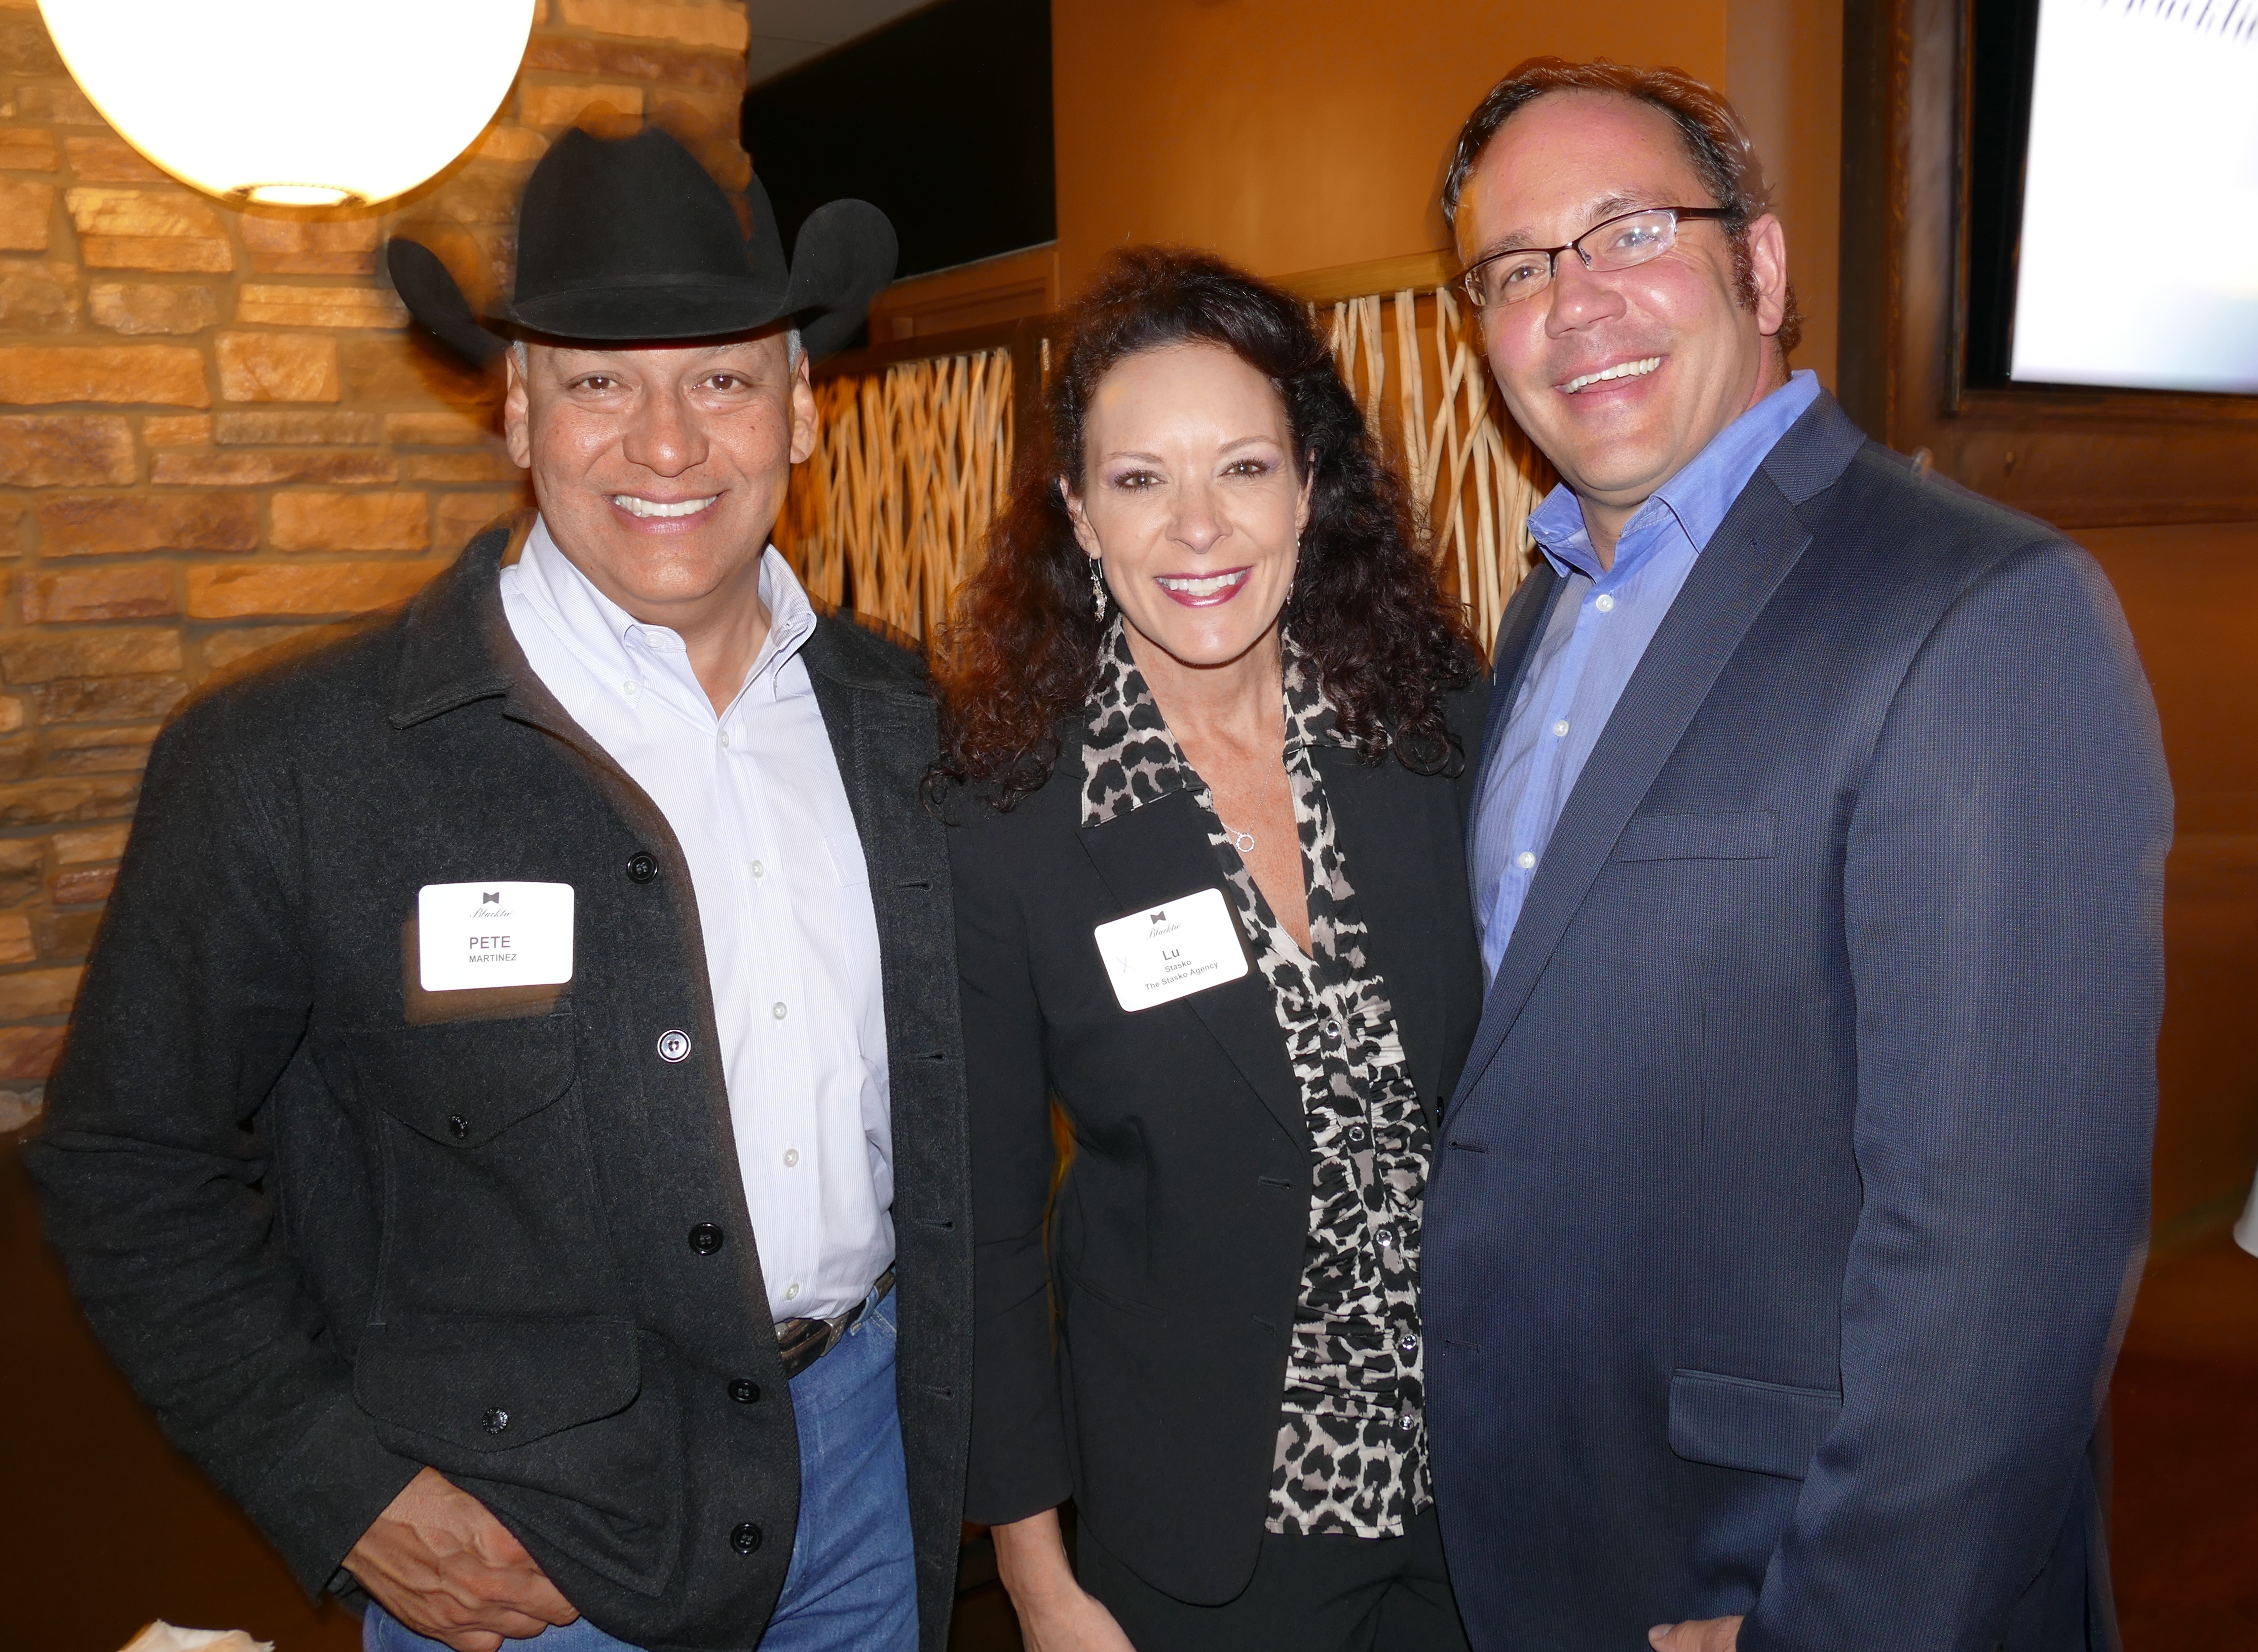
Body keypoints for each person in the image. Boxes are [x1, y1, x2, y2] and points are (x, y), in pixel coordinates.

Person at [27, 126, 972, 1652]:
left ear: (802, 408)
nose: (667, 444)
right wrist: (337, 1485)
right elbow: (126, 1160)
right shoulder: (292, 762)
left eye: (722, 377)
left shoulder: (907, 723)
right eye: (600, 379)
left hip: (871, 1465)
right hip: (526, 1550)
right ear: (518, 409)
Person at [1424, 57, 2172, 1652]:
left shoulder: (1981, 610)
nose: (1576, 304)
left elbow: (2005, 1256)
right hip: (1565, 1535)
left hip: (1785, 1574)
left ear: (1759, 267)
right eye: (1517, 268)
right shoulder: (1548, 603)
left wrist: (1830, 1624)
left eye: (1629, 232)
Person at [932, 247, 1486, 1651]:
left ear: (1311, 486)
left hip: (1480, 1496)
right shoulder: (1011, 818)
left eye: (1243, 468)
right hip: (1210, 1529)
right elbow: (988, 1229)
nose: (1198, 528)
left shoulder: (1431, 731)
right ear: (1076, 514)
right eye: (1138, 480)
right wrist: (1041, 1582)